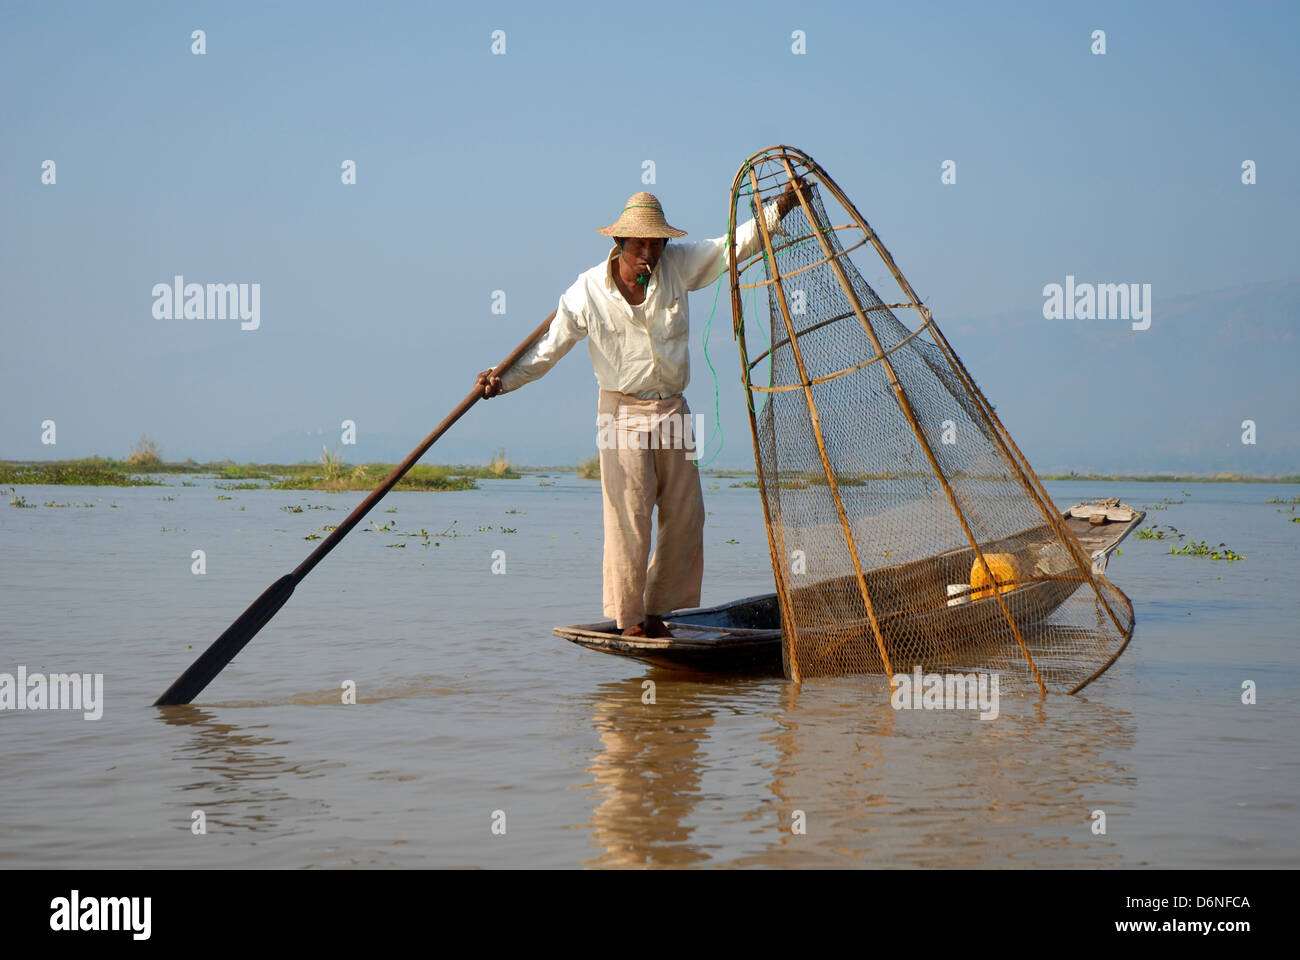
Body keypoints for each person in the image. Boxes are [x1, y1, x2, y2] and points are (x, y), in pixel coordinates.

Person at [477, 184, 804, 637]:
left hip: (673, 409)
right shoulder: (586, 293)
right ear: (620, 243)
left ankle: (661, 611)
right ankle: (629, 619)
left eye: (656, 242)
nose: (648, 252)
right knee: (629, 516)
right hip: (620, 412)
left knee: (686, 514)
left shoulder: (679, 265)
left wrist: (779, 209)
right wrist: (501, 378)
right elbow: (546, 351)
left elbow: (731, 246)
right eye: (640, 243)